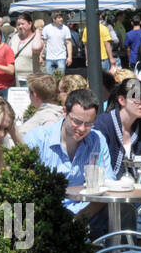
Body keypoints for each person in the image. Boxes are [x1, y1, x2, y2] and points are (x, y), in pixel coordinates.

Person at [23, 87, 113, 238]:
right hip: (46, 214)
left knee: (124, 211)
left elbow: (108, 184)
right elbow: (27, 190)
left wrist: (78, 219)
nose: (82, 129)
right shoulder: (37, 139)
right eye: (76, 121)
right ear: (64, 112)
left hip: (87, 212)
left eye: (89, 124)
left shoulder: (97, 139)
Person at [96, 78, 141, 184]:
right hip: (108, 187)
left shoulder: (140, 126)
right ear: (122, 100)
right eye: (138, 99)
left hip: (132, 188)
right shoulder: (104, 124)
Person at [9, 14, 43, 86]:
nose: (20, 26)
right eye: (18, 24)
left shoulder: (37, 38)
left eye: (22, 24)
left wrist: (37, 31)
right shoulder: (14, 37)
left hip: (31, 78)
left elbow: (36, 48)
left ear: (30, 24)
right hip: (16, 78)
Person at [42, 11, 72, 76]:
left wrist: (69, 57)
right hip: (49, 57)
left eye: (61, 17)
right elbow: (44, 43)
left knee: (59, 78)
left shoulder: (65, 28)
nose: (61, 19)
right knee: (49, 79)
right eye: (59, 18)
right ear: (53, 19)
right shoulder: (46, 28)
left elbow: (68, 43)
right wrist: (41, 56)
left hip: (61, 57)